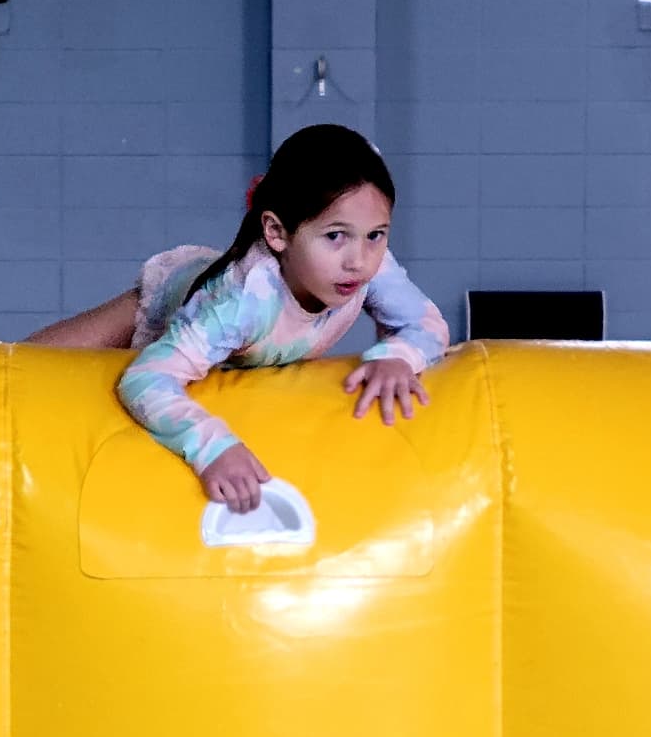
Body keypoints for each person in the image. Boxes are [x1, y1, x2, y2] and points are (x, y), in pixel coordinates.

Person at [23, 124, 450, 514]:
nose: (358, 260)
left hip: (234, 340)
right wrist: (212, 449)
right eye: (335, 236)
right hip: (167, 303)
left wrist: (398, 356)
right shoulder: (241, 303)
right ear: (278, 233)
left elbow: (427, 322)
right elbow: (144, 379)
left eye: (376, 234)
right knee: (31, 366)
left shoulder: (367, 268)